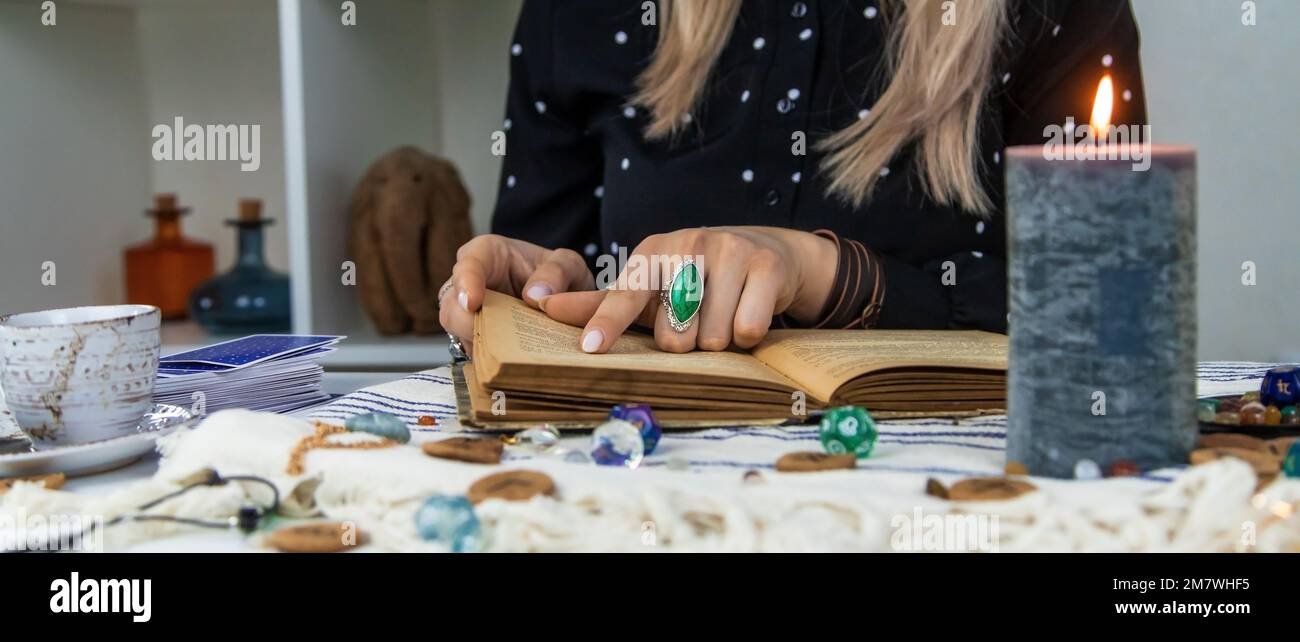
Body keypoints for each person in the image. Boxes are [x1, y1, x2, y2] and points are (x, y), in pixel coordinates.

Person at [438, 0, 1146, 357]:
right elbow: (559, 282)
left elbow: (1113, 320)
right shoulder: (581, 12)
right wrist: (530, 297)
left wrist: (831, 275)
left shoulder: (1059, 11)